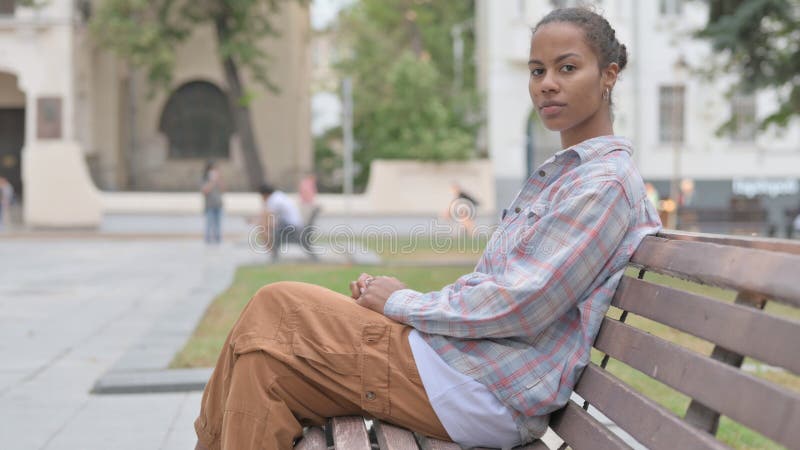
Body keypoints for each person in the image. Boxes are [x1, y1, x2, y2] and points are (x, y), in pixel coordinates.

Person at [194, 7, 662, 450]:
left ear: (608, 75)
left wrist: (402, 303)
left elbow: (523, 303)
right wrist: (407, 303)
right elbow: (501, 289)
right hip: (462, 367)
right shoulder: (566, 175)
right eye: (537, 71)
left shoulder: (603, 185)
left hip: (485, 389)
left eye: (567, 68)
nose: (547, 85)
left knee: (275, 305)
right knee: (261, 370)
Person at [257, 183, 307, 260]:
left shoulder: (273, 200)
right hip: (294, 225)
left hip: (293, 227)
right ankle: (273, 253)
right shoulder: (278, 196)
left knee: (264, 228)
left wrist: (263, 228)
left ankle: (273, 254)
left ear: (265, 194)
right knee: (266, 228)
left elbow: (267, 217)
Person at [201, 161, 224, 244]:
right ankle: (208, 241)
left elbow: (223, 190)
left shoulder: (219, 179)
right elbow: (204, 191)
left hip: (219, 205)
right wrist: (212, 181)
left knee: (218, 226)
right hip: (209, 206)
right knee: (209, 225)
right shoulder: (205, 179)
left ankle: (218, 241)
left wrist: (218, 180)